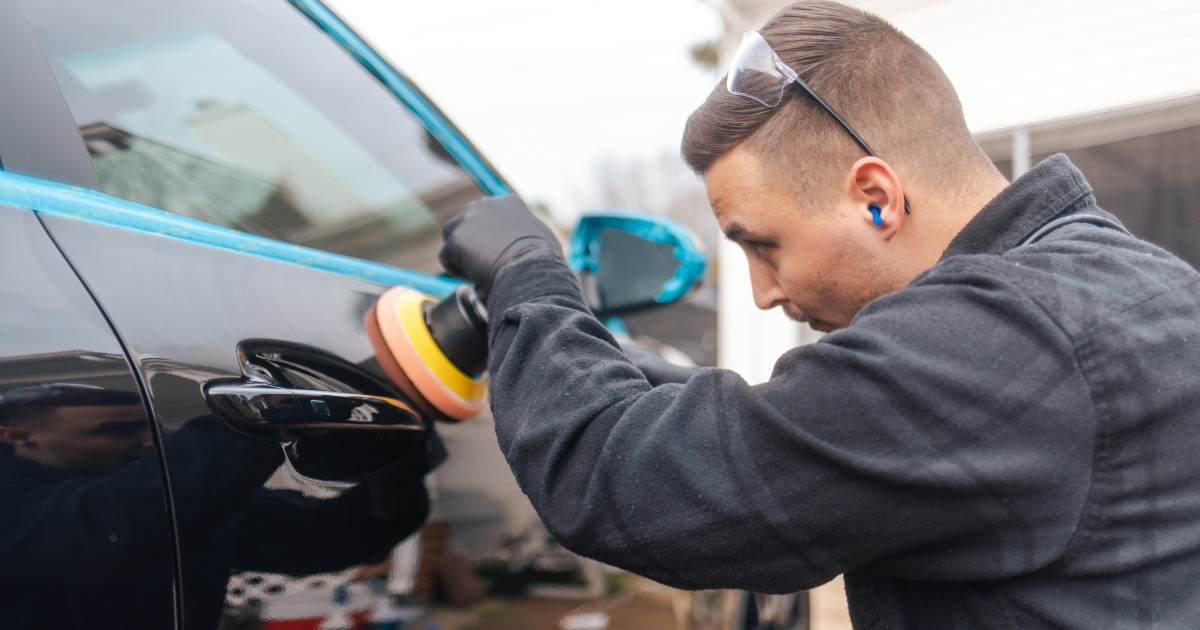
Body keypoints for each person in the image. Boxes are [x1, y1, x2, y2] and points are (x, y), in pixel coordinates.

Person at [436, 1, 1200, 628]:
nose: (764, 292)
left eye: (762, 245)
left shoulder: (991, 340)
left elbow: (619, 482)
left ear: (875, 197)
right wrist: (645, 379)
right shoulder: (1144, 285)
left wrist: (525, 275)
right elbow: (821, 432)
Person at [0, 383, 431, 629]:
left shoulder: (171, 499)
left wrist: (392, 462)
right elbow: (101, 527)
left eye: (152, 427)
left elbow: (322, 538)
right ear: (16, 437)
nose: (150, 442)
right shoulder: (35, 509)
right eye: (115, 431)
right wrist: (264, 414)